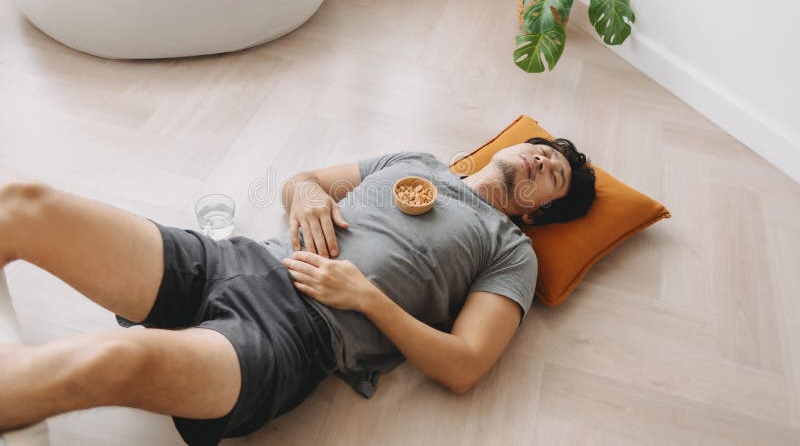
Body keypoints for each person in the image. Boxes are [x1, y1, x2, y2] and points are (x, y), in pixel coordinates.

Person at [0, 137, 595, 446]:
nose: (543, 159)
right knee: (26, 205)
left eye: (555, 173)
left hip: (298, 335)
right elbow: (302, 181)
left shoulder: (511, 251)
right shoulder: (417, 159)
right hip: (238, 258)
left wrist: (366, 297)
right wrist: (307, 194)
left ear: (540, 211)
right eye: (541, 150)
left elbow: (464, 366)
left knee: (117, 358)